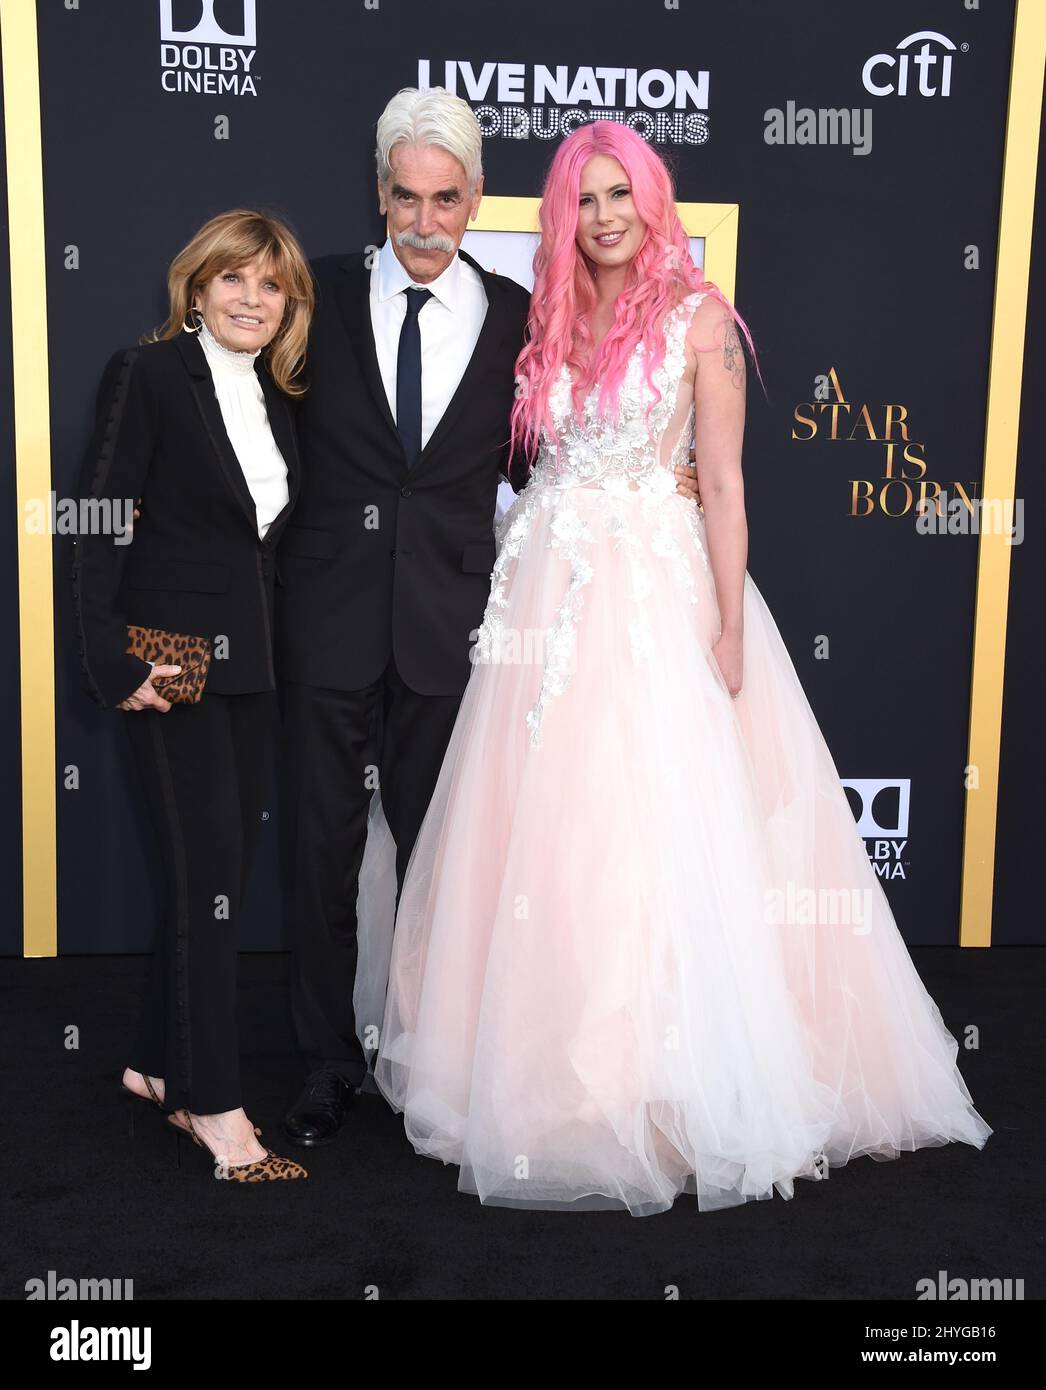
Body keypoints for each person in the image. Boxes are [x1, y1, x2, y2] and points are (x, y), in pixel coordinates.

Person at [372, 122, 993, 1215]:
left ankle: (665, 1089)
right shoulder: (544, 317)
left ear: (653, 202)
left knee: (648, 830)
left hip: (653, 593)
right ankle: (543, 1081)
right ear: (561, 214)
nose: (604, 216)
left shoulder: (701, 322)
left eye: (622, 194)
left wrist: (724, 624)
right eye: (584, 199)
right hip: (540, 600)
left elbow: (725, 483)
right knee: (543, 839)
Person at [276, 88, 704, 1148]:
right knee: (321, 856)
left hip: (461, 629)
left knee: (453, 861)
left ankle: (438, 1063)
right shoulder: (312, 297)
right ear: (379, 194)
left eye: (446, 198)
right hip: (324, 617)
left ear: (475, 201)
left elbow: (537, 454)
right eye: (404, 198)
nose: (424, 221)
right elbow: (248, 425)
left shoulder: (522, 316)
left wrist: (662, 481)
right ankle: (327, 1062)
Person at [73, 209, 314, 1182]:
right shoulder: (149, 375)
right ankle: (215, 1111)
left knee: (210, 874)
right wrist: (110, 661)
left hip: (251, 673)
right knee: (209, 882)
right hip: (166, 666)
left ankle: (151, 1063)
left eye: (270, 285)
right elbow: (93, 518)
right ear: (196, 287)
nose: (251, 299)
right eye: (233, 280)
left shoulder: (277, 396)